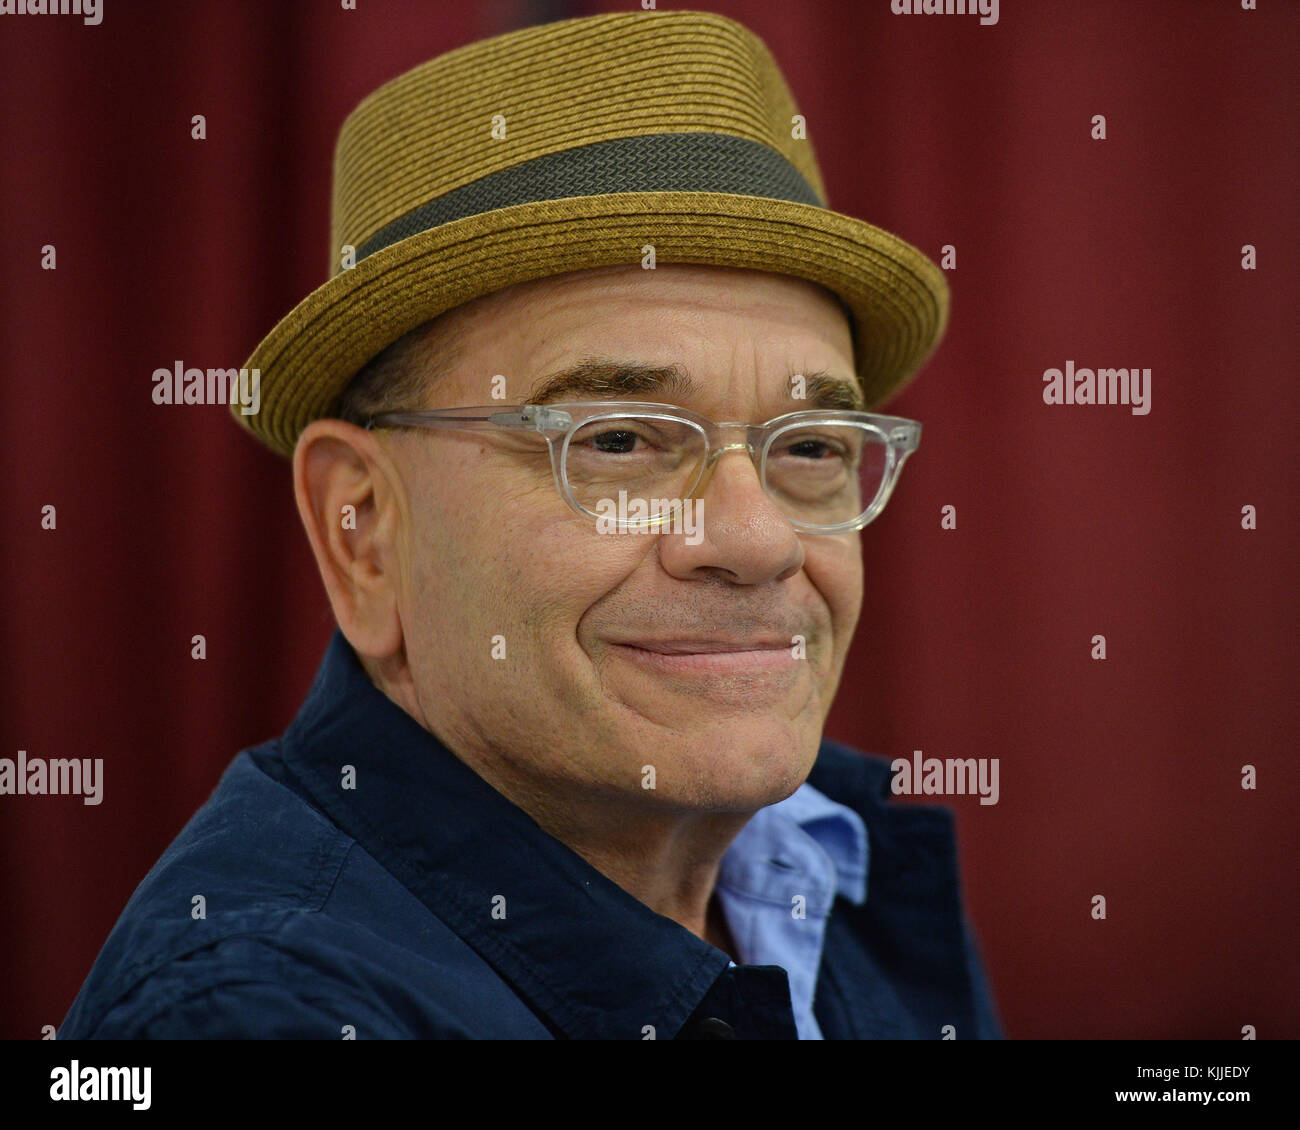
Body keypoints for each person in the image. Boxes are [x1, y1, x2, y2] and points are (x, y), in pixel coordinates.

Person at [60, 9, 1000, 1040]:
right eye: (617, 439)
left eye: (811, 447)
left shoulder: (835, 866)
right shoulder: (258, 1009)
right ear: (361, 530)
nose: (756, 540)